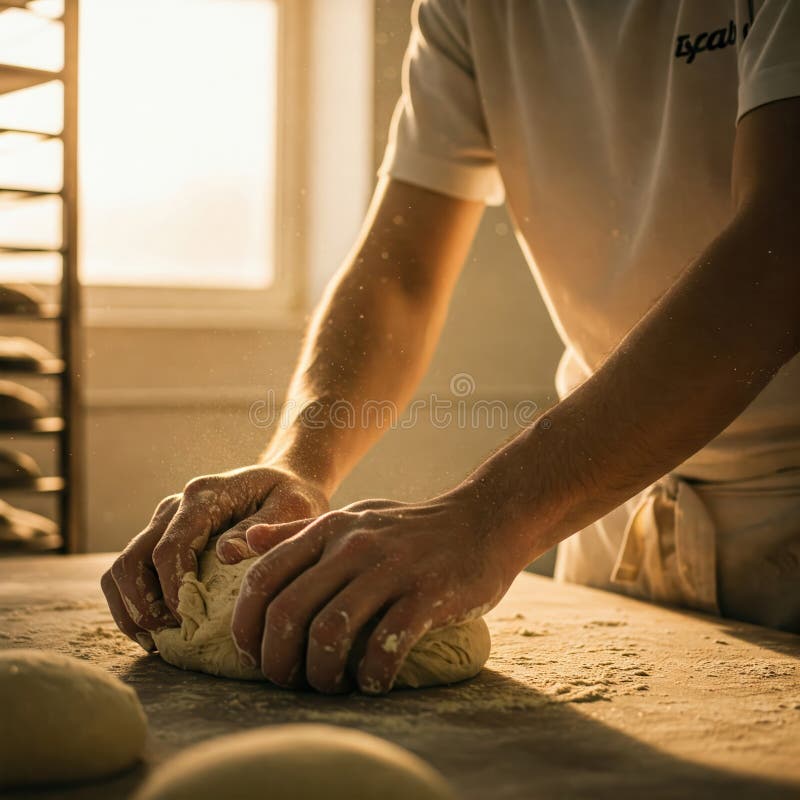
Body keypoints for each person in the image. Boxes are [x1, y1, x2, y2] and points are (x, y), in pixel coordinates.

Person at [102, 0, 800, 694]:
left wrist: (492, 516)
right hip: (615, 516)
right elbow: (399, 273)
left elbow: (781, 247)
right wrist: (299, 461)